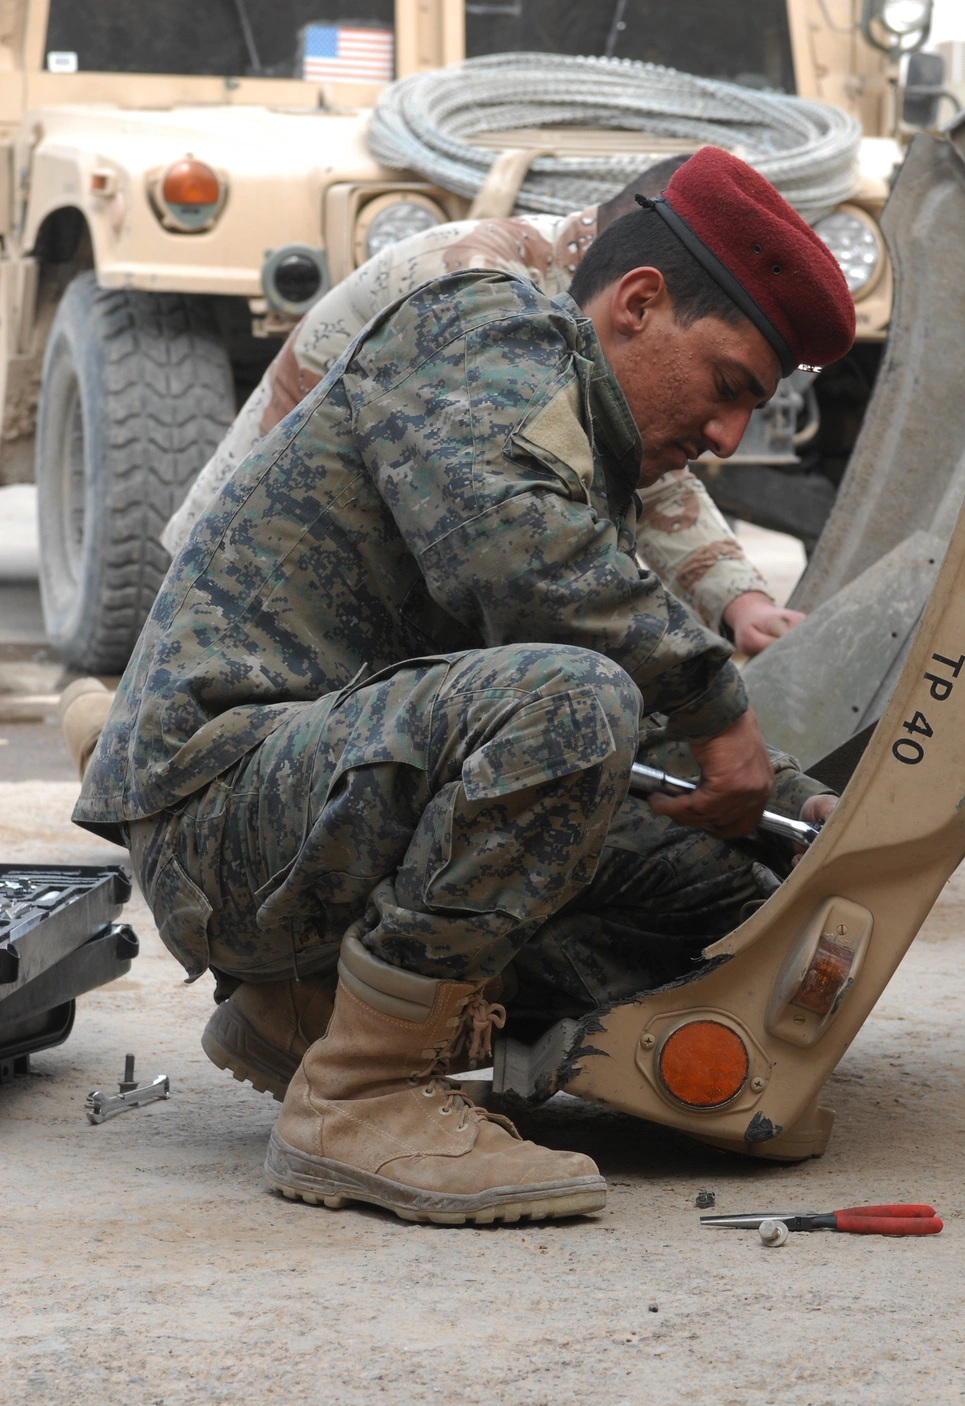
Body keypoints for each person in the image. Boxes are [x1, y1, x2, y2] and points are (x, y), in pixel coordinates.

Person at [74, 149, 852, 1226]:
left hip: (320, 798)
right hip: (225, 812)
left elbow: (592, 642)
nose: (725, 438)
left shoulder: (583, 430)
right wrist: (721, 714)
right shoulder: (480, 328)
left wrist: (789, 797)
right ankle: (362, 1096)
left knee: (716, 886)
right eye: (727, 387)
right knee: (574, 703)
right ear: (638, 302)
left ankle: (306, 1014)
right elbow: (527, 570)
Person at [163, 159, 804, 656]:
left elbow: (645, 462)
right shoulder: (471, 284)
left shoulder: (595, 315)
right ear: (640, 295)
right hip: (249, 568)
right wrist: (695, 694)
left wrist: (739, 600)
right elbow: (504, 531)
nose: (728, 439)